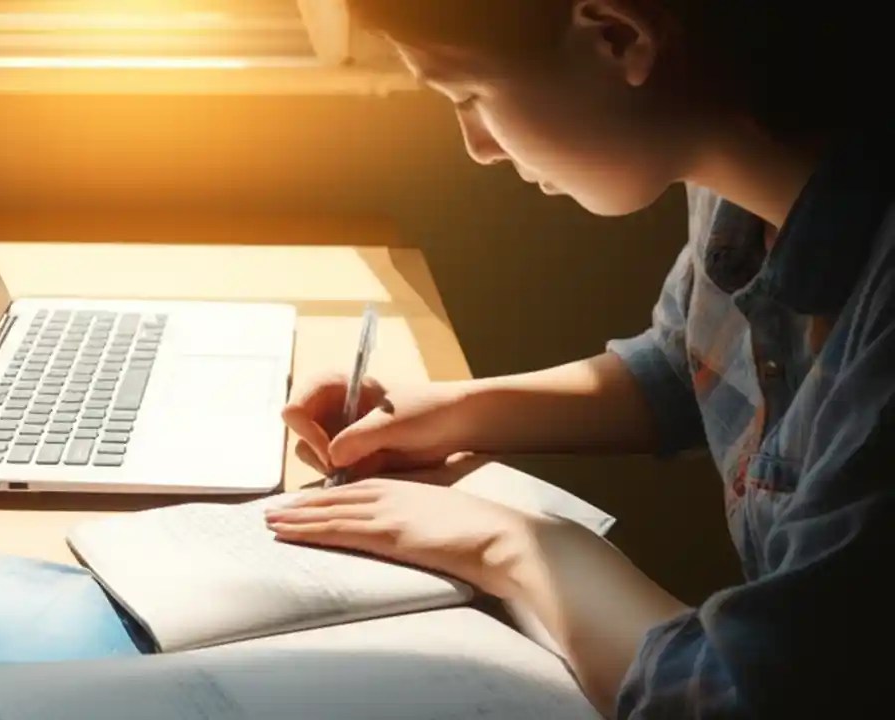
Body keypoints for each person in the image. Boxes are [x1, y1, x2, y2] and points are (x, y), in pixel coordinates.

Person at [263, 2, 894, 718]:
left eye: (468, 94)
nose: (478, 146)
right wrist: (452, 410)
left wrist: (516, 545)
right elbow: (688, 369)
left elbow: (733, 695)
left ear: (617, 37)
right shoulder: (734, 174)